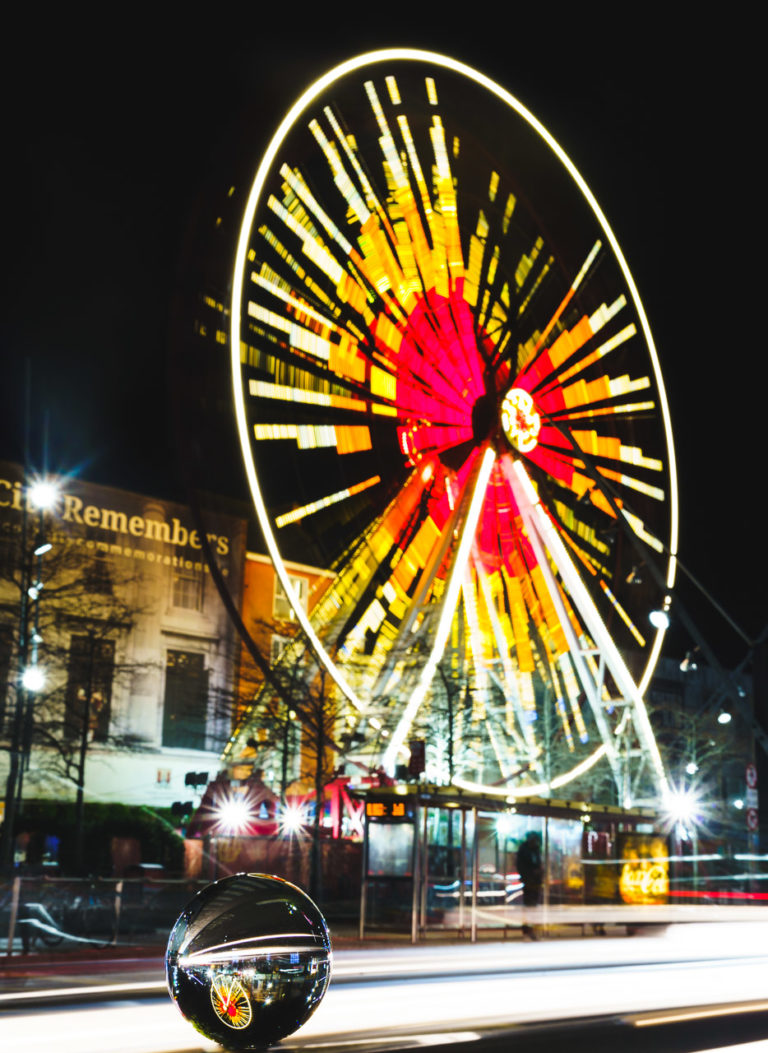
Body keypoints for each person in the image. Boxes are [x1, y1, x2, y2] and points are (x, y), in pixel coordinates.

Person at [516, 830, 542, 940]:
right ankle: (527, 930)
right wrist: (529, 875)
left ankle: (532, 930)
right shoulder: (524, 850)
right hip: (529, 881)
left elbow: (538, 864)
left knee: (533, 906)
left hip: (535, 881)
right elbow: (521, 866)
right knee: (529, 906)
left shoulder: (535, 850)